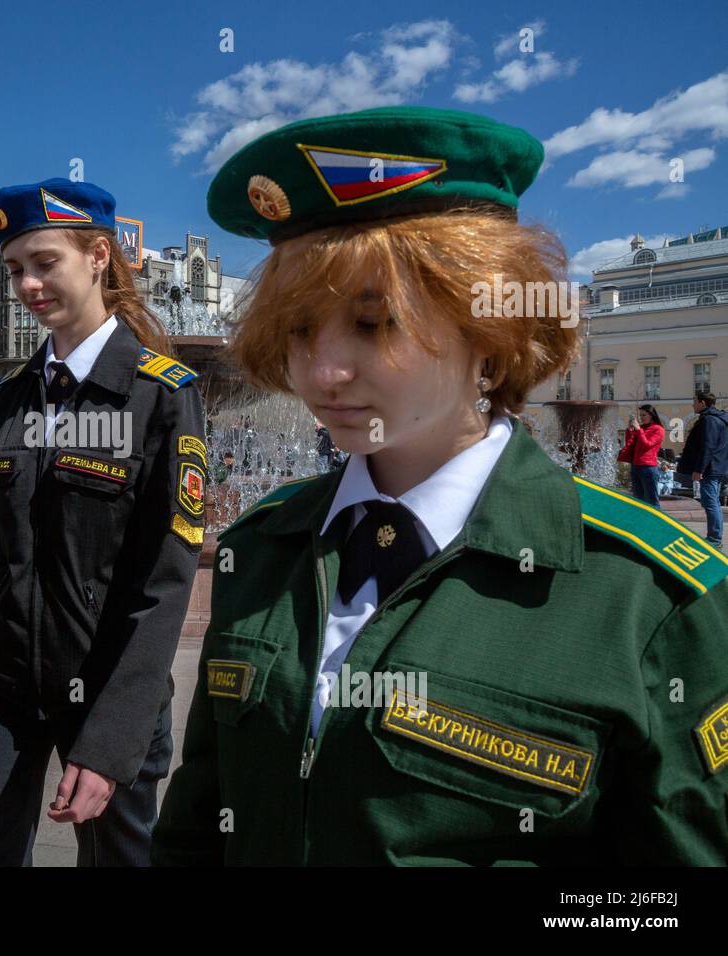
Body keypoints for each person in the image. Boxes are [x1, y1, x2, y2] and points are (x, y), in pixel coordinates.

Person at [151, 106, 728, 865]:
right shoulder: (263, 547)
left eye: (375, 323)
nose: (323, 374)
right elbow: (199, 823)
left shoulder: (646, 598)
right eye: (299, 330)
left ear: (487, 329)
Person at [0, 178, 206, 866]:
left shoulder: (160, 393)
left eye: (44, 262)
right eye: (14, 269)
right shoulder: (14, 395)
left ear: (99, 256)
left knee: (119, 861)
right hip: (3, 688)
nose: (27, 284)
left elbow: (166, 582)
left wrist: (111, 741)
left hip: (107, 691)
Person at [678, 391, 727, 550]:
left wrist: (699, 469)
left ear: (703, 403)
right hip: (718, 467)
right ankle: (715, 537)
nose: (693, 404)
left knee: (711, 503)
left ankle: (714, 539)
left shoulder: (709, 420)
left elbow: (708, 446)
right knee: (713, 503)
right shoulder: (720, 419)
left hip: (710, 469)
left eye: (694, 401)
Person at [618, 404, 665, 508]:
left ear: (651, 415)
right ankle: (641, 523)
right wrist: (630, 431)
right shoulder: (642, 428)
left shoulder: (658, 429)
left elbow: (646, 444)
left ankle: (654, 523)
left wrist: (639, 430)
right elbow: (631, 444)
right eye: (640, 415)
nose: (641, 418)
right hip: (636, 466)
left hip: (648, 468)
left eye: (644, 415)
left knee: (652, 500)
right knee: (638, 500)